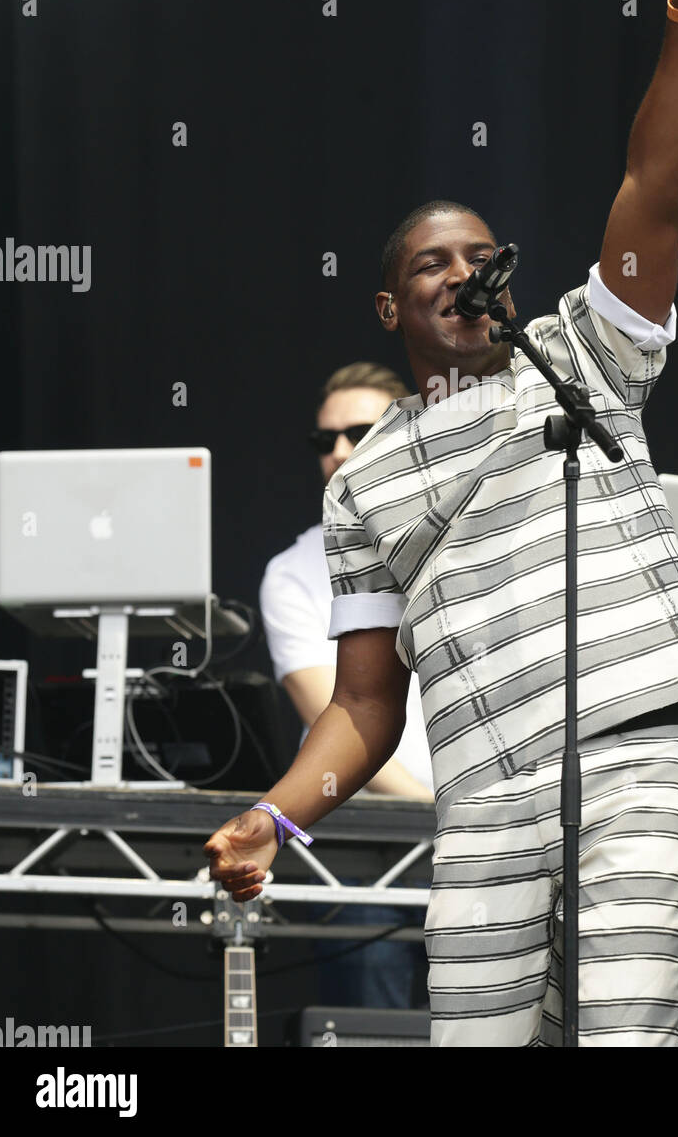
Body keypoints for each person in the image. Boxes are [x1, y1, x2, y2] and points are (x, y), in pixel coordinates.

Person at [206, 0, 678, 1046]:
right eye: (429, 263)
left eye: (477, 253)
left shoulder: (581, 353)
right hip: (484, 786)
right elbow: (361, 707)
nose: (462, 270)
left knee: (621, 1033)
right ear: (393, 305)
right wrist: (277, 815)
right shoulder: (364, 486)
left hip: (629, 752)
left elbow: (656, 184)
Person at [259, 362, 433, 1008]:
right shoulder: (293, 573)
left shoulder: (468, 545)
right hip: (365, 843)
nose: (337, 452)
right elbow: (345, 716)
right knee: (370, 1029)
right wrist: (439, 818)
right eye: (324, 440)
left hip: (482, 832)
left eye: (359, 433)